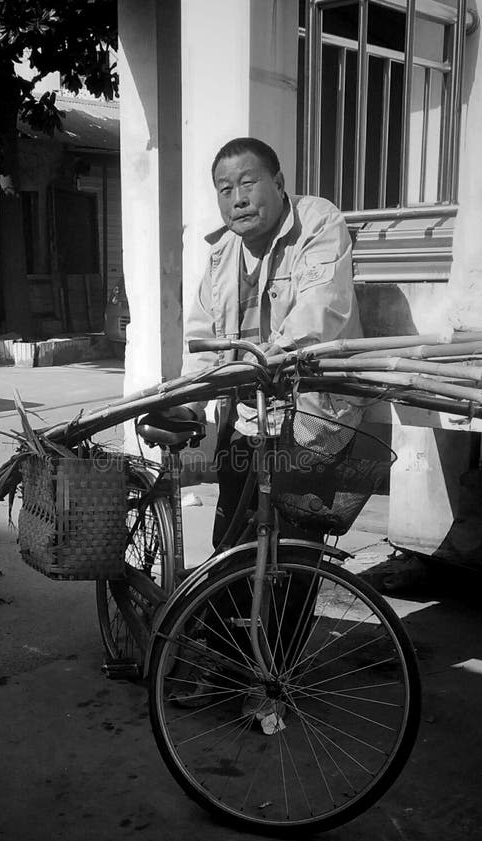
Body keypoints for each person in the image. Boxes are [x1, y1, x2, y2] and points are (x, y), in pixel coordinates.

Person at [172, 136, 363, 548]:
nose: (237, 199)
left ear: (278, 183)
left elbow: (322, 309)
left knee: (294, 551)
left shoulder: (317, 222)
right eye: (225, 189)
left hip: (310, 419)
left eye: (247, 183)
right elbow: (203, 338)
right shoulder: (222, 254)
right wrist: (188, 400)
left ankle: (287, 613)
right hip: (245, 418)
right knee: (231, 547)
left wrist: (273, 355)